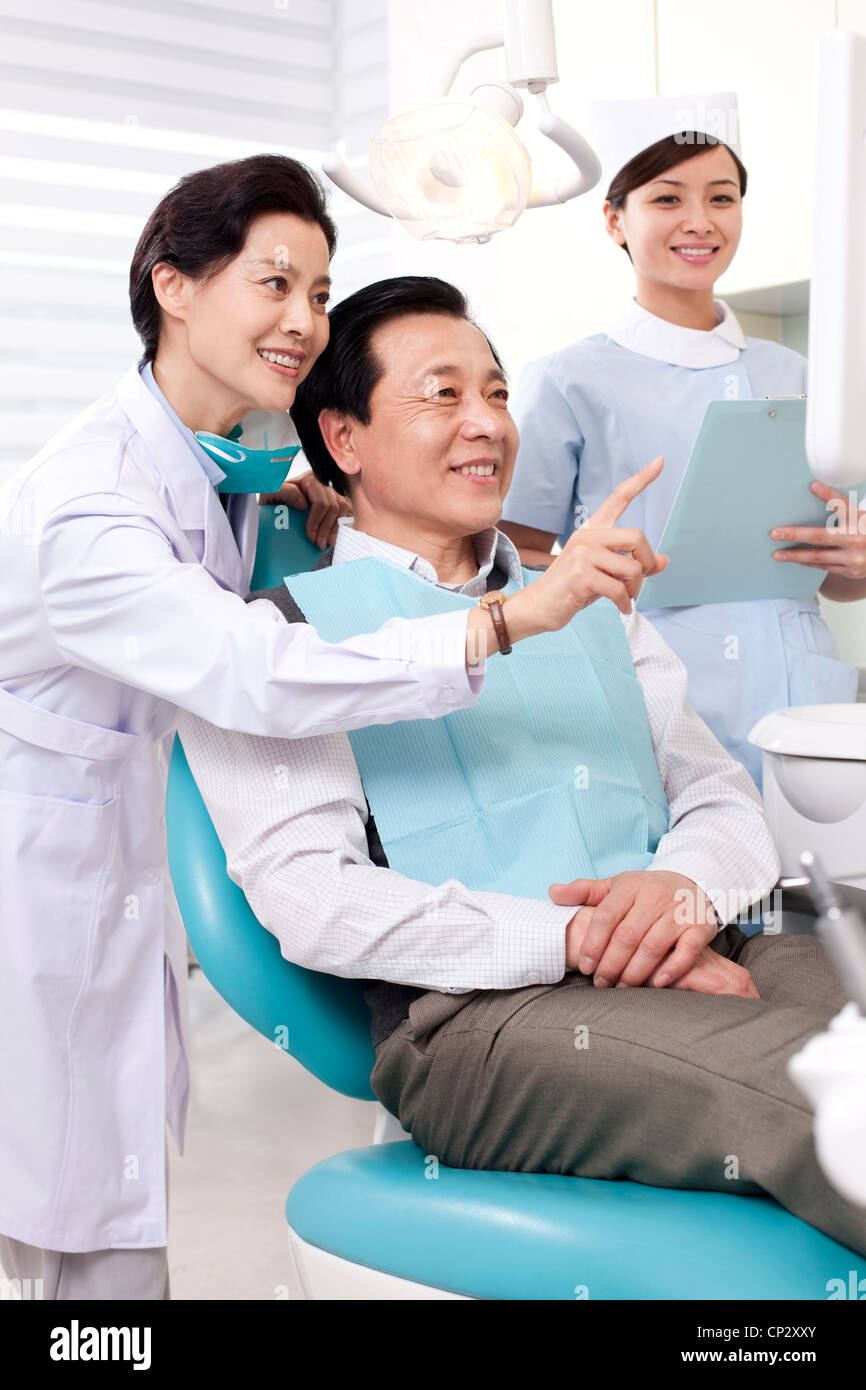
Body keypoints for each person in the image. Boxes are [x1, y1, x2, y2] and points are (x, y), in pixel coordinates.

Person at [0, 158, 616, 1300]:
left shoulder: (229, 461)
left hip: (106, 885)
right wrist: (495, 621)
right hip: (35, 891)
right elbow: (253, 671)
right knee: (70, 1253)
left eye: (320, 293)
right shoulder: (89, 501)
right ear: (172, 285)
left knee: (98, 1216)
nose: (301, 320)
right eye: (273, 283)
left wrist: (295, 492)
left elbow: (242, 505)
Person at [179, 276, 866, 1257]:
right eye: (441, 394)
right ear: (342, 438)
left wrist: (675, 889)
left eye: (496, 394)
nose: (485, 423)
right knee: (831, 1096)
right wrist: (578, 938)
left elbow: (715, 791)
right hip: (484, 1022)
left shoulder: (587, 600)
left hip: (700, 941)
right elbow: (311, 898)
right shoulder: (278, 642)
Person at [500, 92, 866, 789]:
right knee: (698, 889)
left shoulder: (795, 376)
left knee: (816, 892)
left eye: (722, 199)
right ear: (615, 220)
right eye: (667, 199)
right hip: (657, 703)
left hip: (808, 706)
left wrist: (859, 560)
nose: (700, 222)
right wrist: (586, 567)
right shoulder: (570, 379)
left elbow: (836, 576)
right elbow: (513, 560)